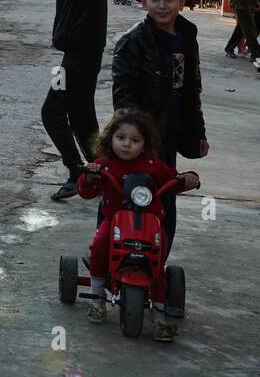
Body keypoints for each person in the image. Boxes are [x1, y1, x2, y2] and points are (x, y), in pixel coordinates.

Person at [111, 0, 209, 281]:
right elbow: (123, 97)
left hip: (170, 131)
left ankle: (155, 265)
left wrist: (198, 133)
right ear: (144, 1)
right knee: (122, 197)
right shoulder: (132, 42)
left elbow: (191, 87)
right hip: (138, 137)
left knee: (163, 200)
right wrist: (132, 138)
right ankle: (111, 260)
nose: (162, 5)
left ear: (182, 1)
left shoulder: (186, 34)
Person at [77, 110, 200, 341]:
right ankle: (97, 298)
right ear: (110, 138)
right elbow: (86, 191)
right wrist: (90, 176)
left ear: (145, 144)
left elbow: (173, 180)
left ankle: (160, 315)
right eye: (121, 138)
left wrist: (188, 177)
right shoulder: (103, 164)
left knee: (157, 259)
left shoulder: (152, 165)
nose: (126, 145)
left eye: (135, 140)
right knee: (100, 246)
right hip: (115, 221)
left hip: (150, 223)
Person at [42, 0, 107, 201]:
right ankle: (103, 173)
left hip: (79, 60)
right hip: (76, 58)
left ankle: (75, 171)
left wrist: (64, 38)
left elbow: (89, 23)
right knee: (82, 118)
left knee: (52, 112)